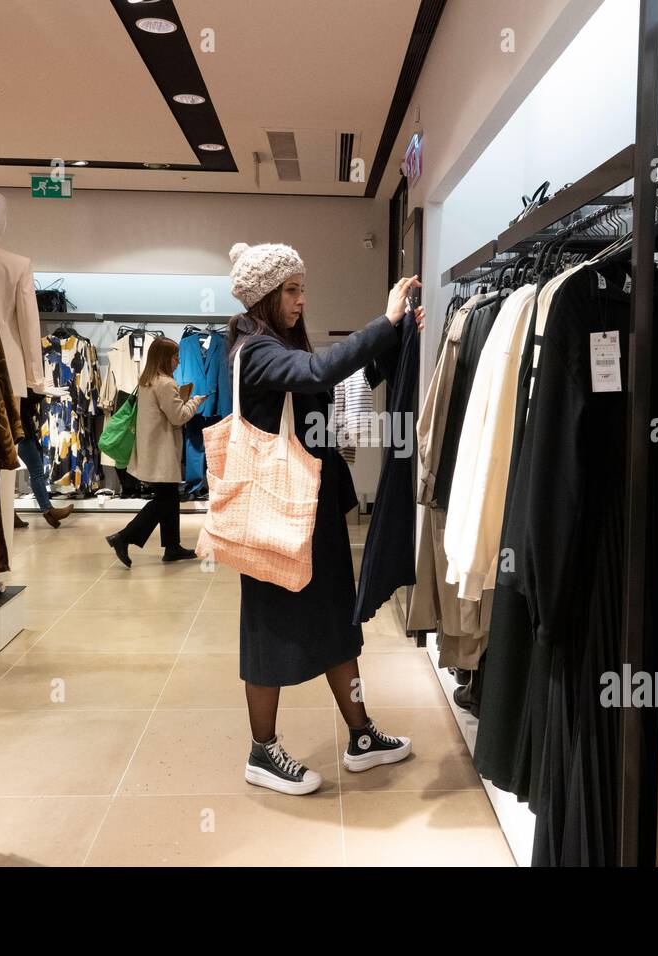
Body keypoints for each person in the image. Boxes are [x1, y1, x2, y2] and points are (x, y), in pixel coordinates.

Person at [224, 240, 425, 795]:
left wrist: (395, 339)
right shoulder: (254, 350)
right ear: (264, 295)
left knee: (338, 624)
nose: (300, 300)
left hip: (312, 510)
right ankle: (261, 751)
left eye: (301, 289)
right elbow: (316, 373)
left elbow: (335, 385)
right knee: (267, 628)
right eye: (291, 290)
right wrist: (382, 324)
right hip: (276, 513)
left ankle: (360, 735)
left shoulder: (280, 345)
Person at [105, 337, 206, 567]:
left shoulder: (147, 382)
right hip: (162, 451)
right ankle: (123, 537)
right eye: (175, 357)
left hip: (151, 449)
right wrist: (195, 401)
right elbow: (178, 416)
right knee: (164, 501)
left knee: (168, 499)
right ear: (165, 358)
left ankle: (172, 547)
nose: (178, 362)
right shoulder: (165, 383)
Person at [15, 391, 74, 528]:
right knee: (36, 470)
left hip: (22, 428)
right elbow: (24, 399)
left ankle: (11, 516)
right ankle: (49, 511)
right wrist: (40, 391)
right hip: (21, 430)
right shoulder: (18, 381)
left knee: (33, 470)